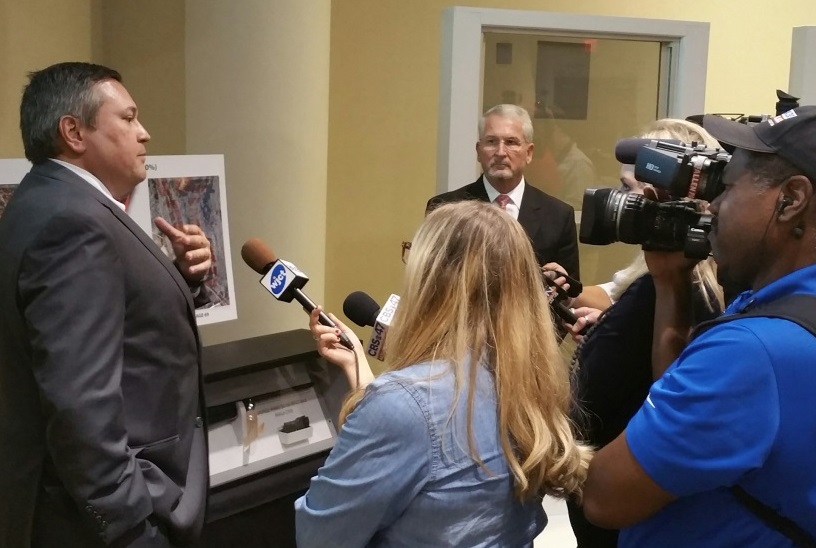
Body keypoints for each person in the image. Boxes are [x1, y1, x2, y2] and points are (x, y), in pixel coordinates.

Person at [582, 105, 816, 546]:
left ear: (791, 200)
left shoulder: (752, 352)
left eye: (727, 188)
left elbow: (603, 497)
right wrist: (671, 284)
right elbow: (701, 421)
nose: (714, 207)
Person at [0, 62, 212, 547]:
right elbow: (79, 399)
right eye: (129, 118)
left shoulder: (48, 201)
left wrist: (182, 279)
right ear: (74, 132)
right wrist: (129, 523)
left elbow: (112, 327)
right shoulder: (73, 222)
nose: (144, 133)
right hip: (98, 523)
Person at [294, 201, 591, 547]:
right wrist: (356, 363)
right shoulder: (528, 382)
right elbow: (432, 436)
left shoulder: (402, 405)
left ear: (433, 280)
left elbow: (319, 537)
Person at [546, 118, 725, 547]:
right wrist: (607, 331)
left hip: (623, 510)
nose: (622, 204)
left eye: (631, 191)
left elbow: (654, 390)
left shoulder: (669, 290)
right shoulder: (673, 285)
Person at [427, 104, 581, 280]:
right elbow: (430, 282)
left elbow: (570, 289)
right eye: (491, 142)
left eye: (511, 142)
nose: (500, 152)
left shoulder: (558, 216)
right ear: (478, 151)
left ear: (529, 153)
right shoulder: (444, 209)